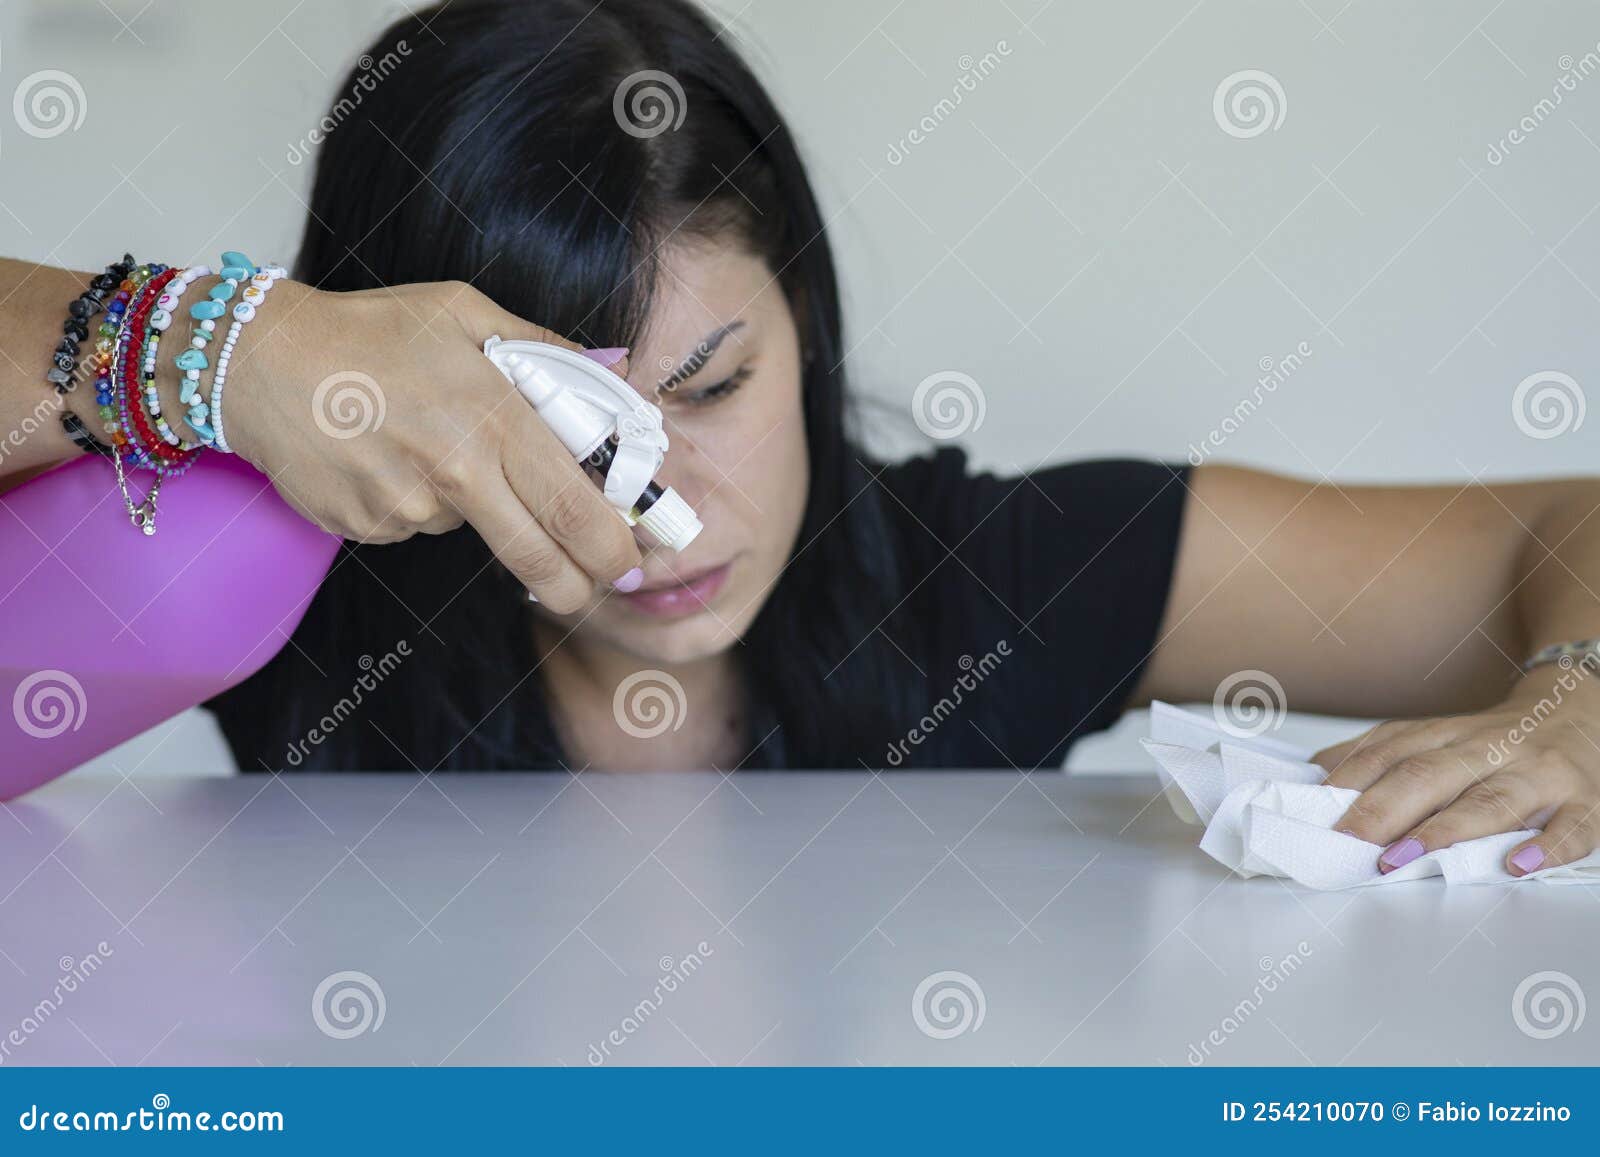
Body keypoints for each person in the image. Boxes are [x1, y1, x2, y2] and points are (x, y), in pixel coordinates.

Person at [2, 0, 1597, 879]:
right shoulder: (290, 592)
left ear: (807, 327)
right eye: (567, 427)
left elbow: (1559, 532)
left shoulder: (987, 586)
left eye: (710, 386)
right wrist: (215, 351)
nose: (662, 510)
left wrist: (1574, 699)